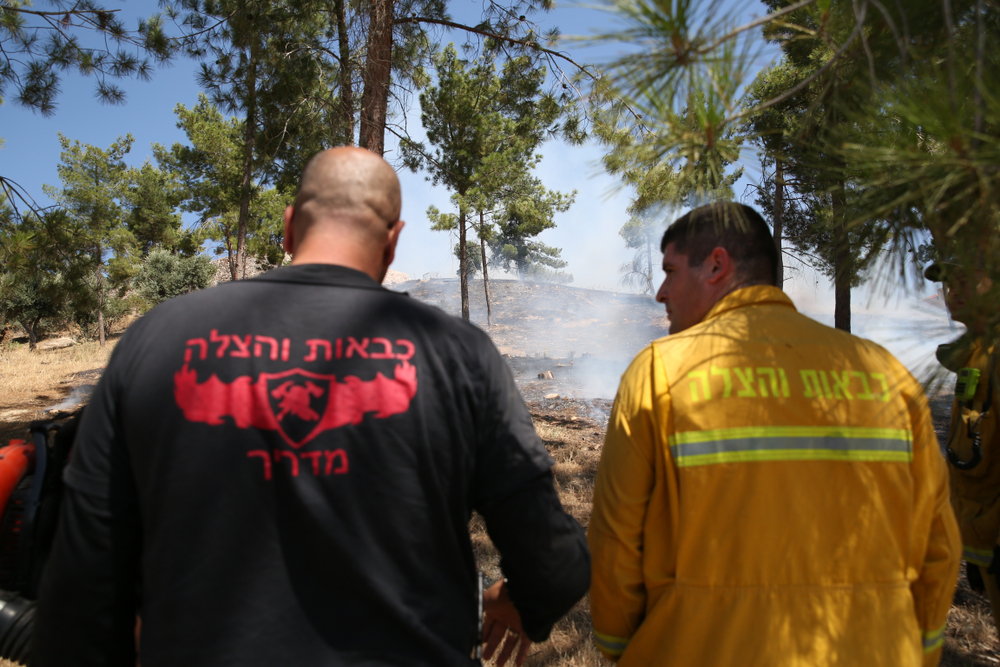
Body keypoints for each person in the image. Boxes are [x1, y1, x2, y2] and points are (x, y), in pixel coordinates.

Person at [32, 147, 590, 667]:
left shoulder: (158, 338)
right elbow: (555, 567)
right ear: (393, 242)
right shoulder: (460, 356)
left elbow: (80, 593)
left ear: (287, 225)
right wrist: (516, 600)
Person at [588, 202, 960, 666]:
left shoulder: (659, 372)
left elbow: (615, 544)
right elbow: (939, 544)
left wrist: (621, 648)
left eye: (670, 271)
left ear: (717, 266)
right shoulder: (885, 373)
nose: (661, 292)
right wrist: (917, 648)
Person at [927, 259, 1000, 626]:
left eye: (964, 281)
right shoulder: (976, 353)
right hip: (983, 543)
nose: (950, 293)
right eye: (947, 284)